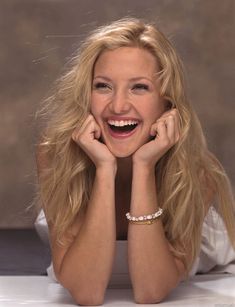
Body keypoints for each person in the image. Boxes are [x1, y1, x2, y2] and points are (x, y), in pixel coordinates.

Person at [35, 17, 235, 305]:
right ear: (86, 94)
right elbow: (86, 292)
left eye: (139, 88)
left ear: (167, 102)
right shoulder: (56, 154)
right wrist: (105, 169)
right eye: (103, 86)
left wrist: (144, 167)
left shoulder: (199, 171)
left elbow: (150, 292)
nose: (117, 106)